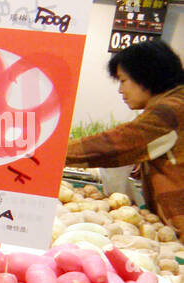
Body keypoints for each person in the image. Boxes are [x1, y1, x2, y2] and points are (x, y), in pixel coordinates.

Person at [66, 39, 184, 231]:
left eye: (123, 80)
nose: (121, 90)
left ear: (146, 76)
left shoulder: (171, 110)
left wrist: (49, 153)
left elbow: (116, 145)